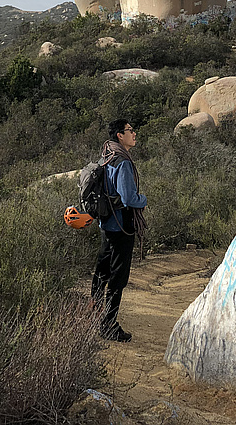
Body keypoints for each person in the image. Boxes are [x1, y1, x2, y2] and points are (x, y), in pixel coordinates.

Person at [90, 119, 147, 342]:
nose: (134, 134)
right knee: (118, 277)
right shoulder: (122, 161)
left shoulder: (107, 155)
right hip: (122, 225)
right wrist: (143, 200)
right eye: (130, 130)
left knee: (102, 271)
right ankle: (108, 325)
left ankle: (93, 317)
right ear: (119, 136)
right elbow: (129, 198)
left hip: (106, 224)